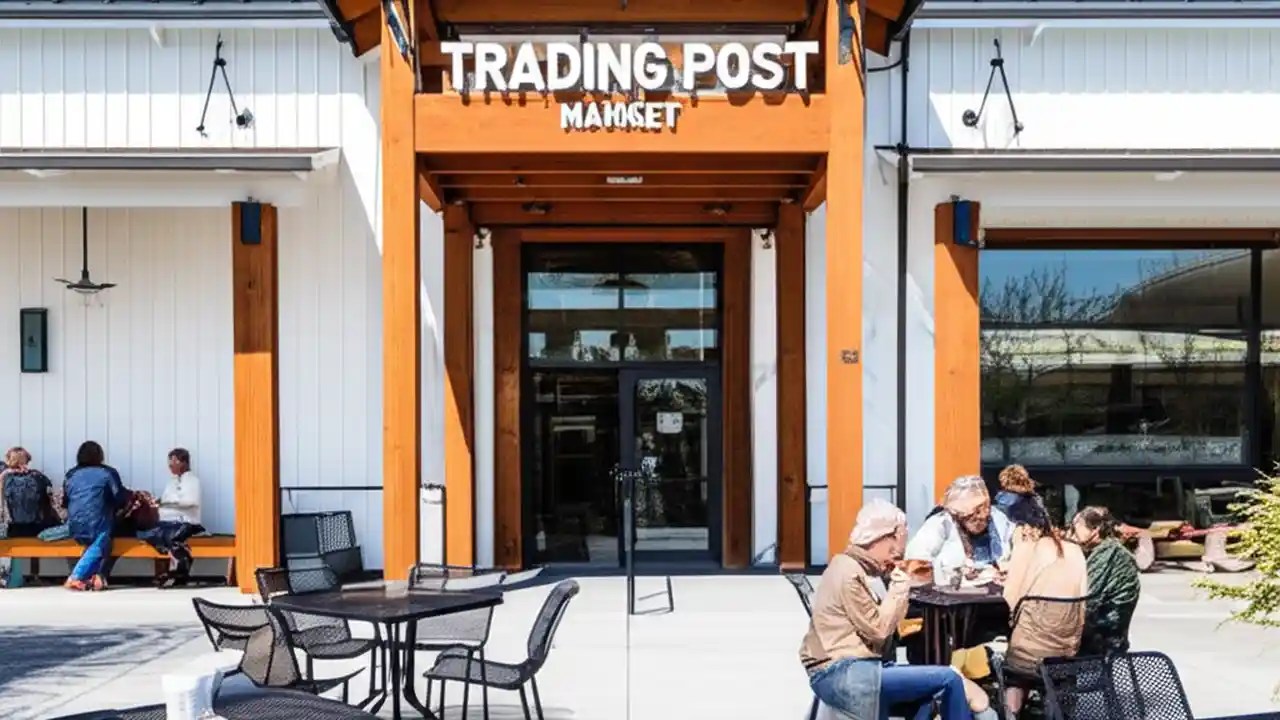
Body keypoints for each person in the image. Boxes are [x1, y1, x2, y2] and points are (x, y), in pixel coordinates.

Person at [801, 499, 996, 720]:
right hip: (844, 673)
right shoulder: (849, 573)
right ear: (882, 538)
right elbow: (880, 630)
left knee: (927, 697)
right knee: (948, 679)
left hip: (854, 669)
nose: (897, 555)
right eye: (895, 548)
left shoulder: (850, 567)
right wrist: (899, 588)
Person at [1000, 499, 1089, 716]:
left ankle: (1012, 714)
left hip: (1028, 656)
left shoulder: (1027, 547)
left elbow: (1009, 601)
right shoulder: (1075, 551)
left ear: (1025, 528)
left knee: (1015, 671)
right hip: (1067, 650)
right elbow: (1083, 598)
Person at [905, 475, 1015, 579]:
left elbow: (1017, 554)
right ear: (956, 513)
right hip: (950, 594)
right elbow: (915, 563)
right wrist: (949, 572)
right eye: (970, 516)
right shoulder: (940, 524)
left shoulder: (1000, 520)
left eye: (983, 511)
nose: (979, 518)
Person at [1071, 506, 1140, 657]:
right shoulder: (1105, 550)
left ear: (1095, 529)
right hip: (1101, 628)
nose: (1072, 535)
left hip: (1104, 634)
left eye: (1076, 528)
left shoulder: (1109, 553)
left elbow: (1087, 599)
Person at [62, 441, 126, 591]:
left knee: (100, 544)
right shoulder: (107, 473)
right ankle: (75, 577)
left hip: (74, 521)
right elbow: (119, 498)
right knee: (101, 543)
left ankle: (92, 577)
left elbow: (65, 501)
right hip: (97, 519)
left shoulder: (71, 474)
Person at [0, 447, 58, 537]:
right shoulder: (38, 476)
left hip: (12, 528)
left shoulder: (4, 477)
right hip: (36, 527)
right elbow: (50, 499)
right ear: (26, 460)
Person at [159, 448, 201, 525]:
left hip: (186, 522)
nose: (171, 465)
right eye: (170, 461)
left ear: (184, 463)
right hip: (168, 519)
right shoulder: (171, 481)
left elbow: (189, 503)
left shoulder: (192, 481)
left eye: (175, 461)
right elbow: (163, 501)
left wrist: (167, 504)